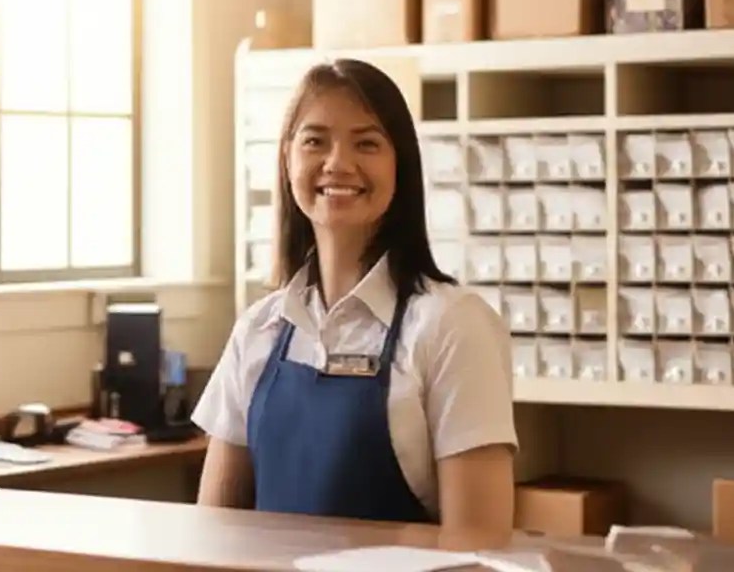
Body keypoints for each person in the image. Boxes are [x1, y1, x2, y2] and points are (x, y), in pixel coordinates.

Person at [192, 58, 517, 535]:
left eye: (366, 142)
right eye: (315, 141)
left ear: (400, 165)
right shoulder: (258, 329)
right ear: (287, 160)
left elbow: (479, 546)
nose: (338, 163)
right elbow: (213, 534)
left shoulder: (452, 325)